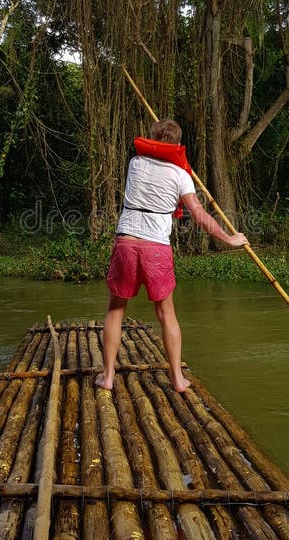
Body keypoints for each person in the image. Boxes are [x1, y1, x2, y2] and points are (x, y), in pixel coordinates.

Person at [95, 118, 249, 393]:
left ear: (153, 139)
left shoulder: (135, 164)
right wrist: (229, 238)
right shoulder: (181, 176)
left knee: (116, 309)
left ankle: (107, 377)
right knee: (167, 314)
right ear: (177, 145)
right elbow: (199, 216)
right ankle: (177, 379)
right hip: (156, 248)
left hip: (126, 244)